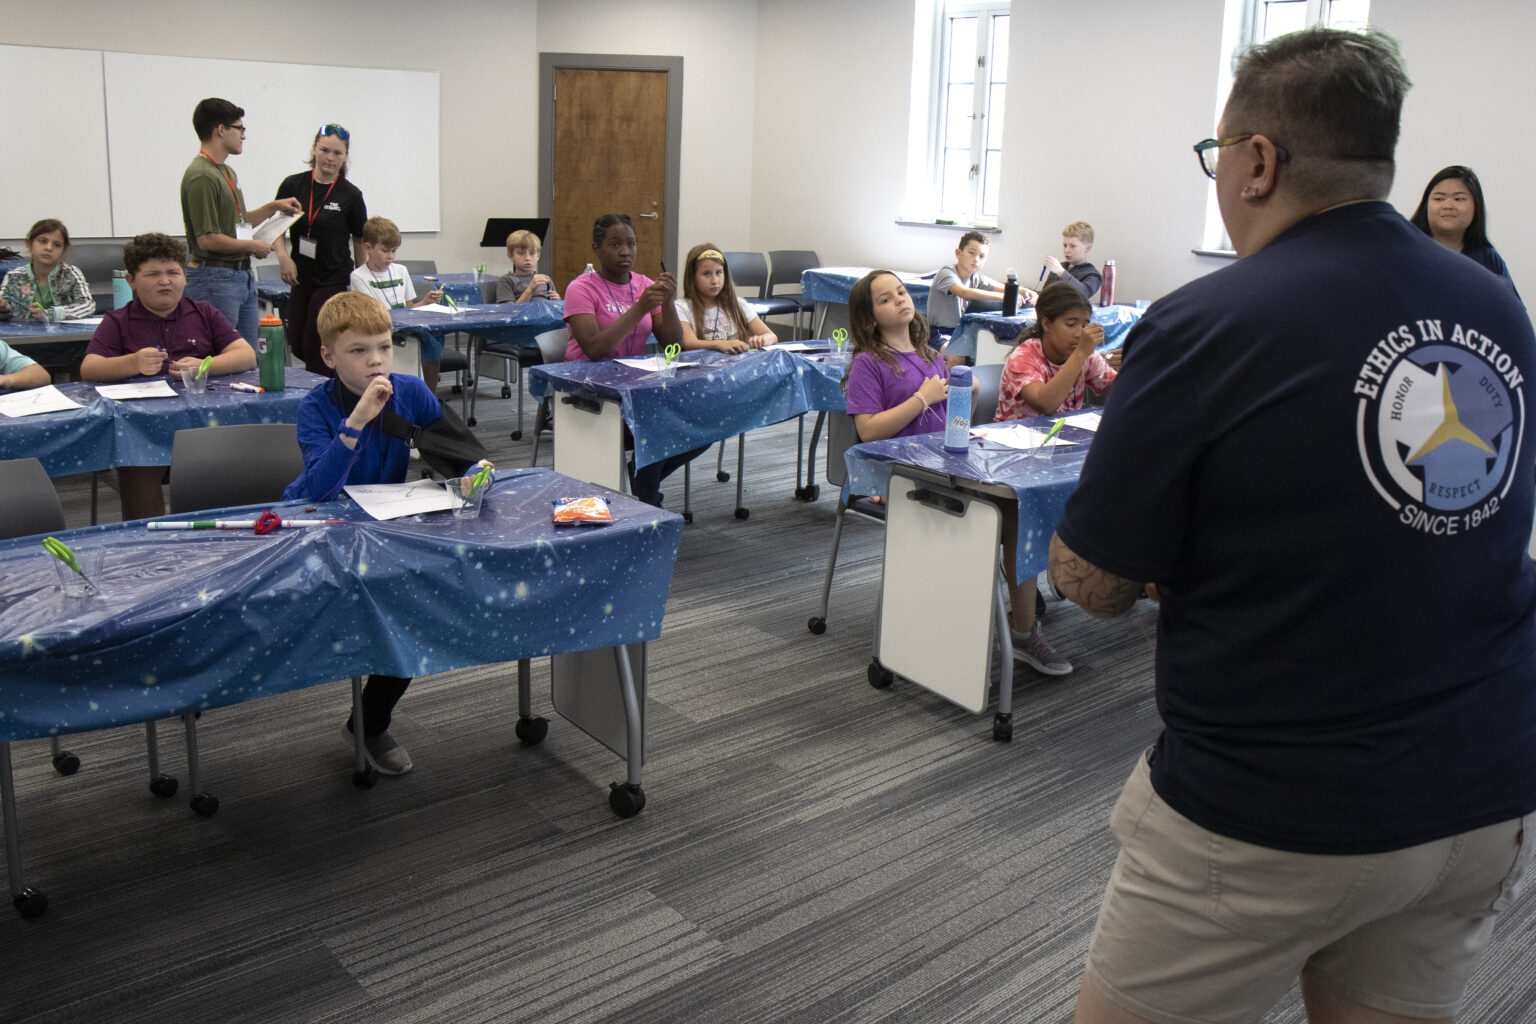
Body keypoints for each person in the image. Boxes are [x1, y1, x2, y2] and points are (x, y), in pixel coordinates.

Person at [1050, 28, 1535, 1024]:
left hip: (1276, 803)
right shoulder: (1497, 308)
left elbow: (1090, 581)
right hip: (1483, 782)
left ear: (1258, 160)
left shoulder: (1204, 323)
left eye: (1216, 154)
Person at [283, 291, 490, 777]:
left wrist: (477, 473)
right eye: (358, 351)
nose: (375, 360)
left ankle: (368, 723)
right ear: (329, 357)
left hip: (387, 525)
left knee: (414, 611)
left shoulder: (411, 392)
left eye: (383, 346)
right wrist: (356, 421)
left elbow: (465, 453)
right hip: (318, 524)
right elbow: (318, 488)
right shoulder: (316, 407)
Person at [82, 233, 257, 521]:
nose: (165, 281)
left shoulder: (203, 313)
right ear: (131, 281)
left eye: (173, 272)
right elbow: (90, 367)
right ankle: (146, 535)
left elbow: (245, 354)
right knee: (135, 459)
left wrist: (205, 364)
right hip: (142, 427)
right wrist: (132, 362)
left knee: (223, 468)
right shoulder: (118, 321)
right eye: (153, 274)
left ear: (185, 277)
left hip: (202, 424)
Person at [563, 213, 696, 507]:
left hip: (634, 390)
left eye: (631, 244)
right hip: (590, 391)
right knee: (656, 427)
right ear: (596, 249)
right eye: (615, 244)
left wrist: (669, 303)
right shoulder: (581, 288)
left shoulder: (645, 284)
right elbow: (595, 349)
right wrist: (639, 309)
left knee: (701, 420)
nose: (625, 251)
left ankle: (643, 482)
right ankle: (647, 498)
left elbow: (673, 345)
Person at [179, 97, 303, 344]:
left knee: (248, 358)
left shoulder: (225, 171)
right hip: (215, 279)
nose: (243, 135)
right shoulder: (201, 175)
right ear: (221, 130)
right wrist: (251, 246)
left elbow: (238, 225)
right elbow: (207, 239)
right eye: (240, 128)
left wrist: (272, 208)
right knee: (220, 354)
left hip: (239, 276)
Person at [274, 123, 368, 377]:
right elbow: (277, 229)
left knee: (315, 343)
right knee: (297, 342)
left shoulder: (351, 195)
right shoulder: (293, 185)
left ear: (345, 156)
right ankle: (331, 379)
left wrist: (361, 282)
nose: (330, 157)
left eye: (337, 153)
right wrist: (283, 257)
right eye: (325, 150)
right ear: (314, 149)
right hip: (299, 275)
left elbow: (359, 240)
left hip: (333, 279)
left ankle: (322, 396)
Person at [995, 282, 1117, 423]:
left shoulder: (1086, 355)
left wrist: (1131, 362)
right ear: (1046, 324)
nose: (1080, 333)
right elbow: (1046, 405)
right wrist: (1080, 353)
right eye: (1071, 324)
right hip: (1014, 441)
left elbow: (1121, 391)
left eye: (1084, 325)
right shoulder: (1023, 356)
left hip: (1066, 439)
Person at [347, 216, 444, 386]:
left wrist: (426, 302)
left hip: (407, 328)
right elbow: (373, 316)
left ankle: (429, 397)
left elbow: (409, 308)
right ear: (368, 248)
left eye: (394, 251)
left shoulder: (401, 271)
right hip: (380, 331)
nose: (390, 256)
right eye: (385, 251)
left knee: (433, 341)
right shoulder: (358, 276)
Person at [1408, 165, 1520, 296]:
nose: (1448, 206)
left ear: (1476, 206)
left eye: (1459, 199)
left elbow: (1511, 312)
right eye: (1439, 199)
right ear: (1425, 205)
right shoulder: (1406, 252)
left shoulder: (1489, 259)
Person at [675, 243, 777, 353]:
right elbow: (689, 343)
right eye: (706, 274)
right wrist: (720, 344)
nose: (714, 280)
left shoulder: (738, 304)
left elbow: (772, 336)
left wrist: (762, 339)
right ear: (693, 278)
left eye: (718, 272)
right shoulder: (682, 307)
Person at [928, 230, 1007, 367]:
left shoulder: (976, 276)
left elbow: (1004, 287)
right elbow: (963, 292)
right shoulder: (946, 273)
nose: (976, 259)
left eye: (982, 256)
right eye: (972, 253)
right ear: (958, 253)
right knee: (957, 358)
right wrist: (1004, 298)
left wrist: (1028, 293)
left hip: (961, 332)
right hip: (939, 332)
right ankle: (946, 388)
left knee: (988, 351)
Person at [0, 218, 95, 323]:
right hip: (22, 337)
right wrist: (4, 309)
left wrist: (51, 314)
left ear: (63, 250)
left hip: (63, 336)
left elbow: (88, 306)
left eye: (57, 245)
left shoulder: (71, 274)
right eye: (43, 241)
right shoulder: (14, 276)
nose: (49, 248)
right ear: (29, 243)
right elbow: (5, 313)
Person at [1041, 221, 1101, 302]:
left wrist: (1061, 272)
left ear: (1088, 247)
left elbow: (1084, 293)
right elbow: (1045, 294)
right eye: (1065, 245)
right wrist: (1032, 295)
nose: (1066, 250)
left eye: (1072, 246)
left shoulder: (1093, 274)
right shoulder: (1060, 267)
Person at [494, 229, 560, 303]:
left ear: (538, 255)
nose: (527, 258)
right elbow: (509, 311)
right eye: (521, 253)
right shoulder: (507, 280)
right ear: (510, 256)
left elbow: (554, 308)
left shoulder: (546, 280)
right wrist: (530, 289)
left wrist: (556, 302)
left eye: (532, 253)